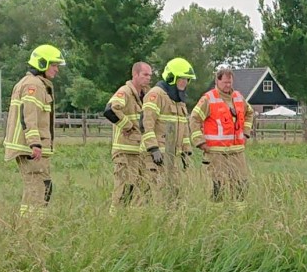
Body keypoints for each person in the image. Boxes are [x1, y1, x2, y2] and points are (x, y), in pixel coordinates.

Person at [4, 45, 64, 218]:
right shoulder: (34, 85)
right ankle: (31, 225)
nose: (56, 69)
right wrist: (35, 143)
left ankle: (32, 223)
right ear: (42, 63)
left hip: (30, 146)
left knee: (40, 187)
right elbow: (28, 115)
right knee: (38, 188)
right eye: (53, 65)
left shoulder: (32, 83)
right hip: (30, 148)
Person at [189, 66, 252, 201]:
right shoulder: (209, 98)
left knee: (241, 184)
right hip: (216, 152)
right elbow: (194, 118)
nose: (228, 85)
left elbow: (249, 113)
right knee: (218, 186)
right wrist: (199, 141)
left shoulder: (238, 97)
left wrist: (246, 133)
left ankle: (239, 213)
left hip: (237, 151)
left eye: (230, 82)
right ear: (217, 81)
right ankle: (216, 214)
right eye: (225, 82)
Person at [143, 58, 196, 200]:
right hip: (157, 156)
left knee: (175, 194)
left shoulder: (179, 100)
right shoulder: (156, 95)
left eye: (187, 79)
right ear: (171, 78)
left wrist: (186, 151)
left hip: (174, 157)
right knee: (158, 193)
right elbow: (147, 123)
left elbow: (184, 129)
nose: (185, 83)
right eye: (182, 79)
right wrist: (153, 148)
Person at [104, 62, 154, 209]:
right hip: (125, 150)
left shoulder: (146, 94)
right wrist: (128, 125)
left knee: (141, 190)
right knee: (123, 190)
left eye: (150, 75)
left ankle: (134, 221)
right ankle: (116, 221)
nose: (148, 78)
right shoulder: (125, 92)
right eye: (145, 75)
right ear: (135, 74)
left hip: (139, 150)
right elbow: (110, 110)